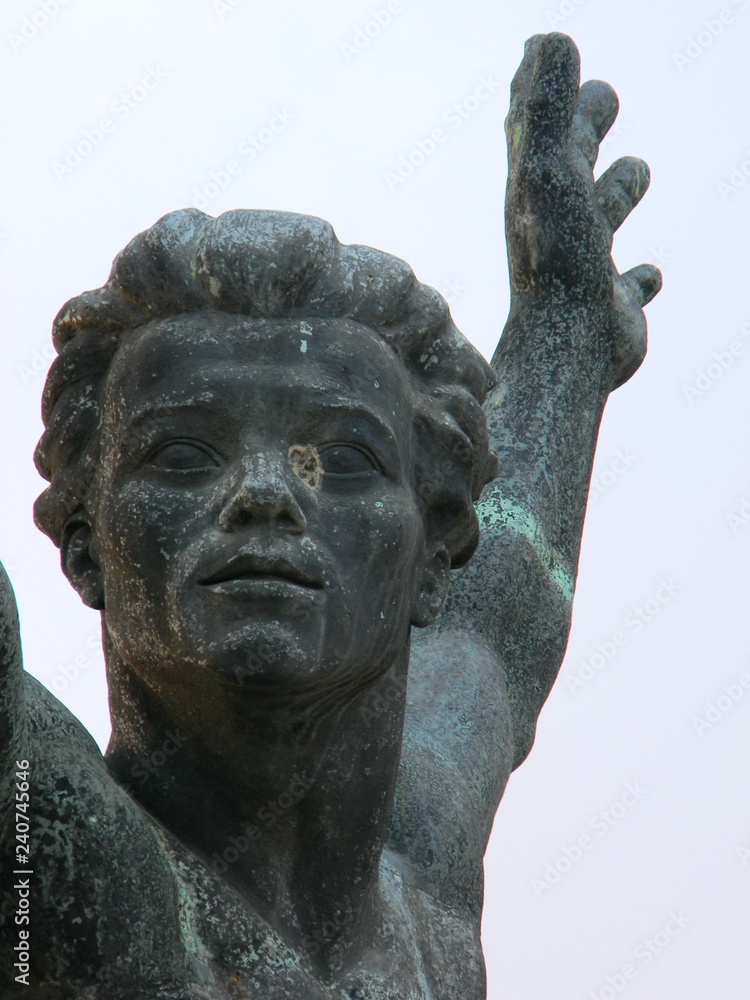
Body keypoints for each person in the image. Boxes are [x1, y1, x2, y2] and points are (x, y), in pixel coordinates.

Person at [0, 34, 661, 1000]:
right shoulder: (45, 844)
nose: (264, 490)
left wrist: (566, 328)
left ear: (433, 557)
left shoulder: (423, 887)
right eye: (182, 455)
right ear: (84, 543)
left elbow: (500, 626)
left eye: (343, 460)